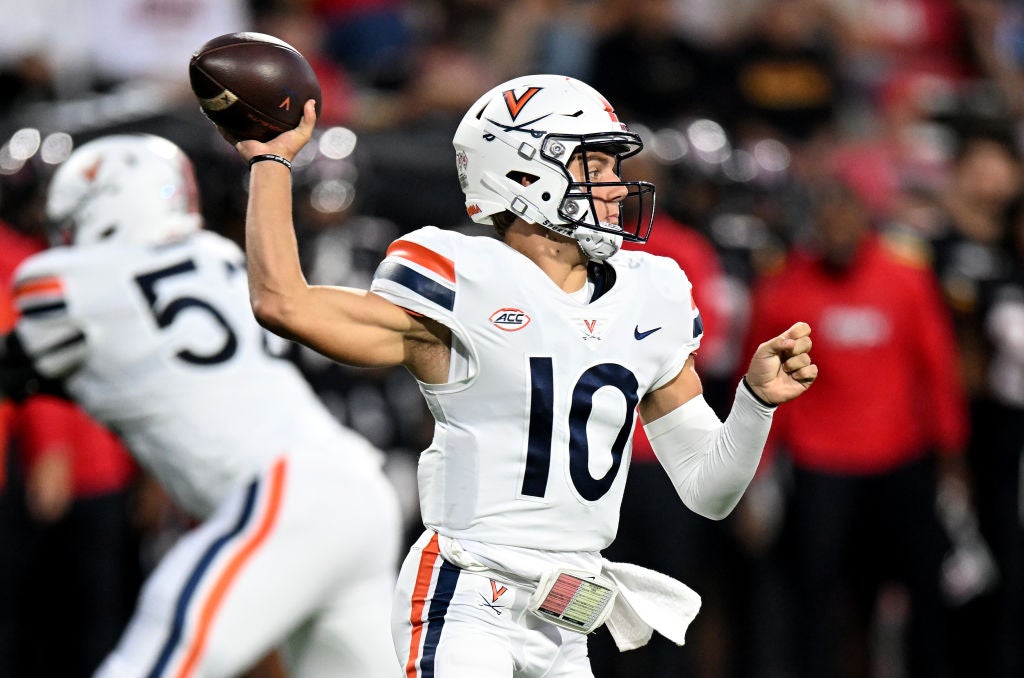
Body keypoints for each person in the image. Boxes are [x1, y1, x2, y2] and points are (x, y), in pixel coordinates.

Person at [231, 74, 817, 676]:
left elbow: (710, 489)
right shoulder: (464, 276)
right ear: (522, 173)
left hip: (567, 616)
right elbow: (284, 303)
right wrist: (271, 161)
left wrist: (755, 403)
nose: (617, 186)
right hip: (467, 595)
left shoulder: (651, 291)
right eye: (597, 164)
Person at [0, 134, 402, 678]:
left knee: (154, 661)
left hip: (283, 498)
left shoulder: (62, 282)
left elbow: (24, 362)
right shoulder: (223, 258)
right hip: (357, 492)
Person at [740, 177, 969, 678]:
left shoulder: (906, 280)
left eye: (847, 220)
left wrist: (952, 459)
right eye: (828, 222)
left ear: (866, 222)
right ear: (814, 228)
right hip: (821, 467)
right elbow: (760, 389)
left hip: (900, 461)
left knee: (921, 590)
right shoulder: (782, 289)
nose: (838, 232)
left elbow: (938, 371)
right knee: (816, 594)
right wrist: (755, 481)